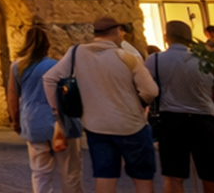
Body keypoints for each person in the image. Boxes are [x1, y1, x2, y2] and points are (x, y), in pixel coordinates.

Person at [43, 16, 159, 193]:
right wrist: (141, 102)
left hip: (96, 127)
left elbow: (49, 78)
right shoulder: (128, 57)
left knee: (105, 175)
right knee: (142, 176)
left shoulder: (76, 53)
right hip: (131, 125)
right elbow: (151, 91)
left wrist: (58, 109)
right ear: (118, 31)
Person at [150, 21, 214, 193]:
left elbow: (146, 88)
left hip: (172, 119)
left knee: (174, 177)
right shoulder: (207, 60)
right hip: (205, 119)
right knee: (211, 177)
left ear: (166, 37)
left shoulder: (155, 60)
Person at [8, 25, 82, 193]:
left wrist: (16, 121)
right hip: (62, 124)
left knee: (40, 172)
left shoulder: (17, 67)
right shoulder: (57, 65)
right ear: (47, 45)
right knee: (70, 172)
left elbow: (12, 97)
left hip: (34, 122)